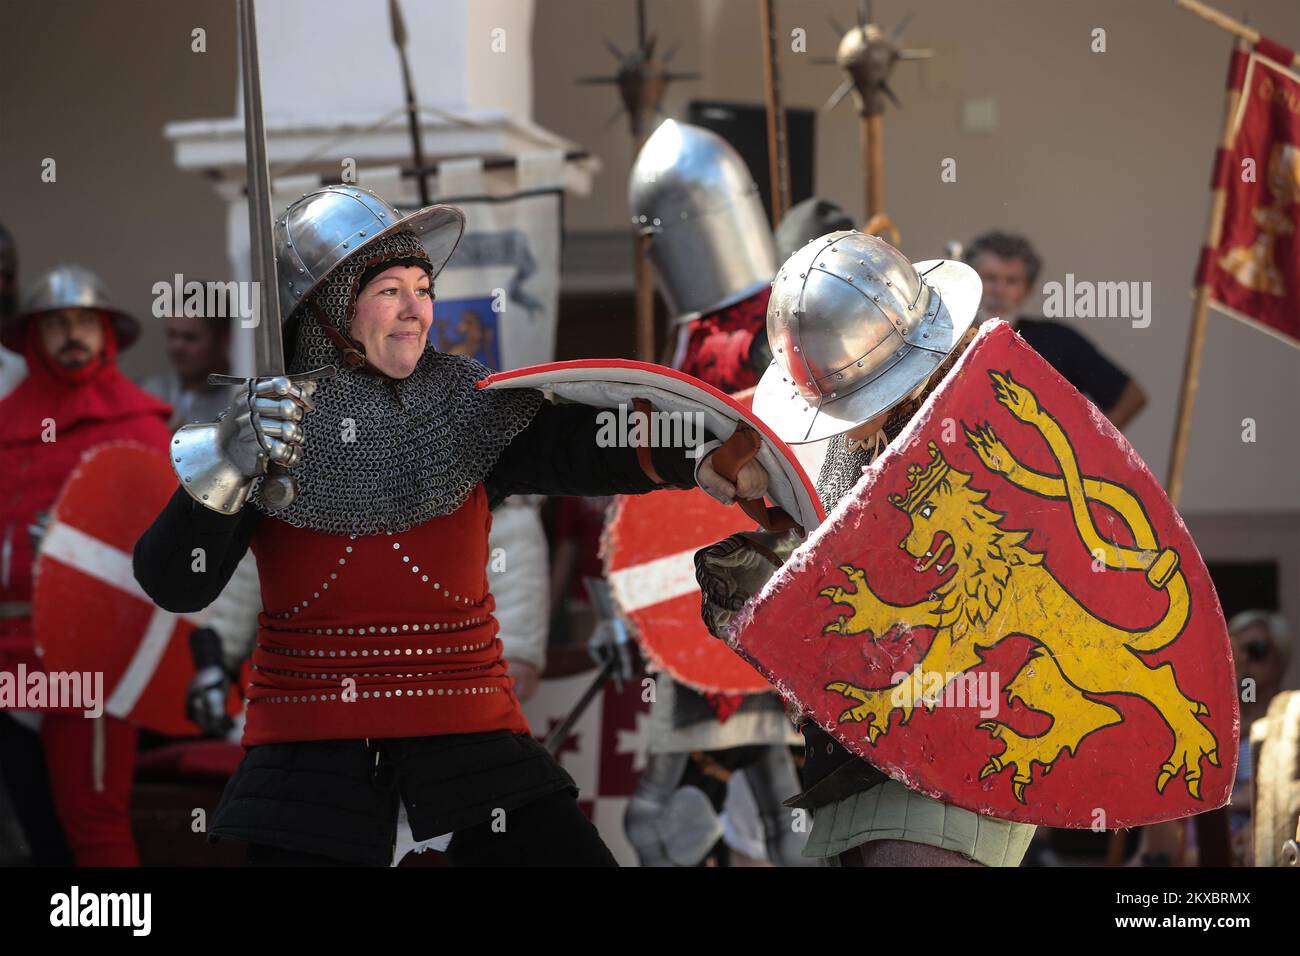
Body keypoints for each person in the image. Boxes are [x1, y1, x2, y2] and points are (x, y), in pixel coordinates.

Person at [131, 185, 766, 867]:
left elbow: (586, 444)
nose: (415, 310)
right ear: (325, 309)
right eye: (388, 290)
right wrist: (229, 463)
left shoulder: (468, 411)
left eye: (423, 287)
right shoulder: (264, 435)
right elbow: (174, 581)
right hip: (310, 767)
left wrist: (698, 447)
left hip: (473, 748)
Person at [696, 231, 1038, 866]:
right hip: (856, 751)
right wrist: (750, 488)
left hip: (954, 741)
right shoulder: (850, 439)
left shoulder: (982, 434)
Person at [627, 120, 811, 866]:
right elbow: (654, 494)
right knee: (746, 808)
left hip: (767, 587)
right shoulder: (696, 333)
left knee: (778, 807)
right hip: (689, 601)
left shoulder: (774, 332)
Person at [0, 265, 173, 866]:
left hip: (93, 656)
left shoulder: (141, 426)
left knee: (93, 823)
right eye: (55, 323)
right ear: (33, 339)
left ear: (104, 332)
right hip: (8, 655)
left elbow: (168, 557)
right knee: (37, 828)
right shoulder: (6, 423)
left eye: (82, 321)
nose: (71, 334)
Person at [964, 231, 1147, 429]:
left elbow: (1131, 396)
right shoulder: (944, 337)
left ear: (1028, 290)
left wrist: (1083, 448)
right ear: (968, 283)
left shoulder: (1057, 340)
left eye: (1012, 281)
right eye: (990, 278)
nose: (999, 290)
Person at [140, 288, 233, 428]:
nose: (176, 347)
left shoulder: (239, 400)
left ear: (222, 340)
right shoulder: (149, 393)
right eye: (172, 335)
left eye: (190, 338)